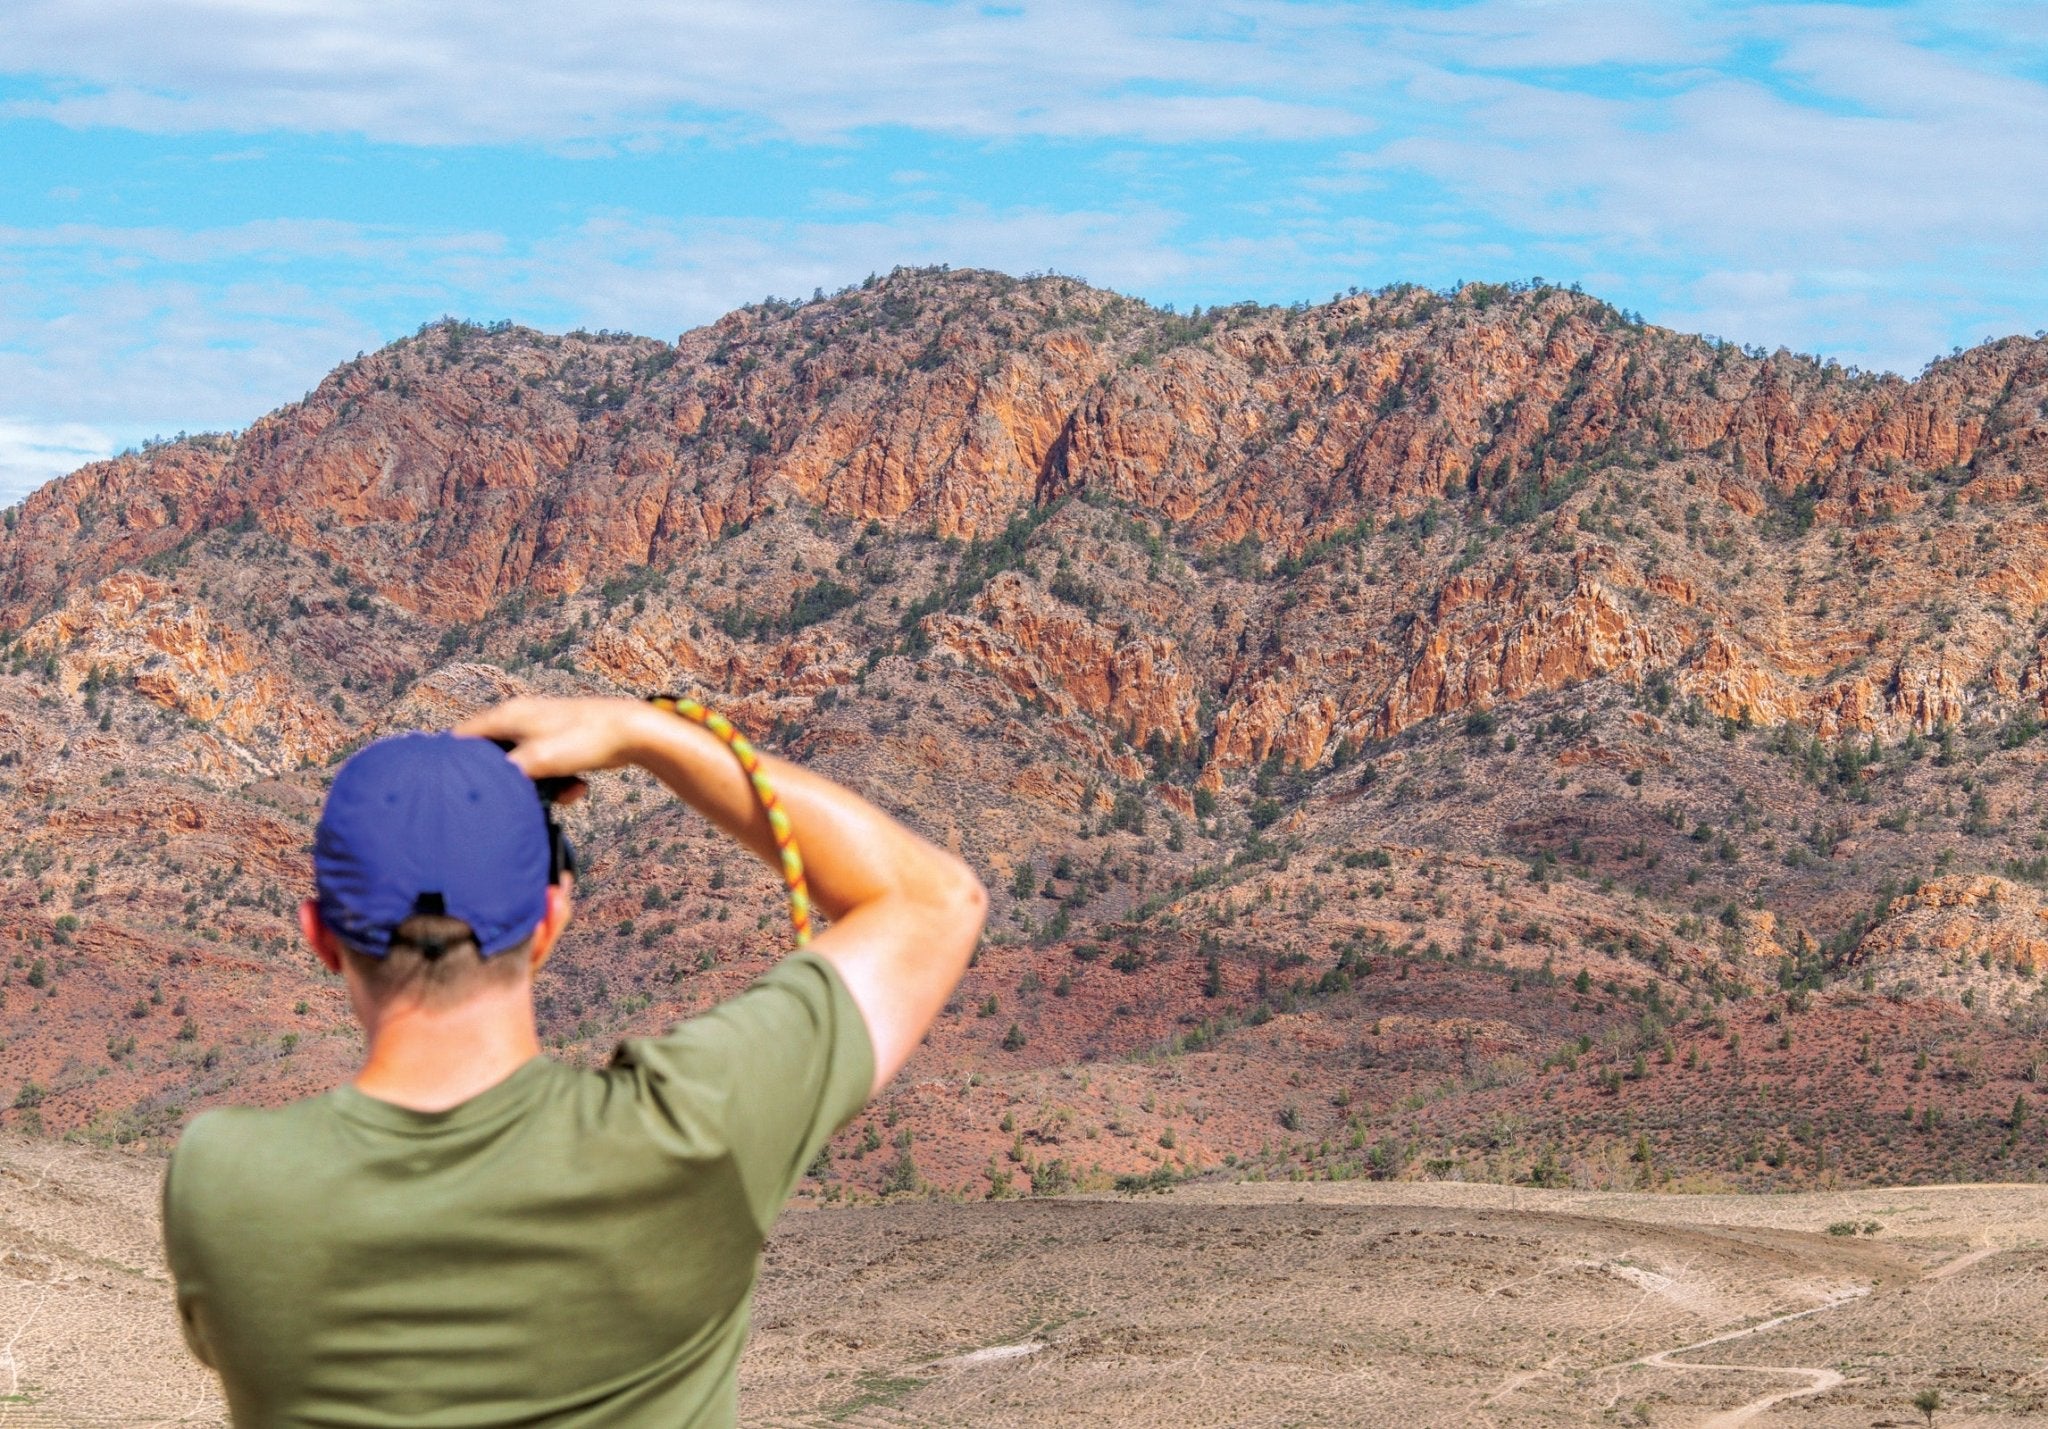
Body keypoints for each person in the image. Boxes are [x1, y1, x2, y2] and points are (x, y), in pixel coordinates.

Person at [161, 695, 987, 1427]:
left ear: (321, 937)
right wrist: (646, 734)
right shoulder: (687, 1135)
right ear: (550, 919)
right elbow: (936, 901)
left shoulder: (222, 1182)